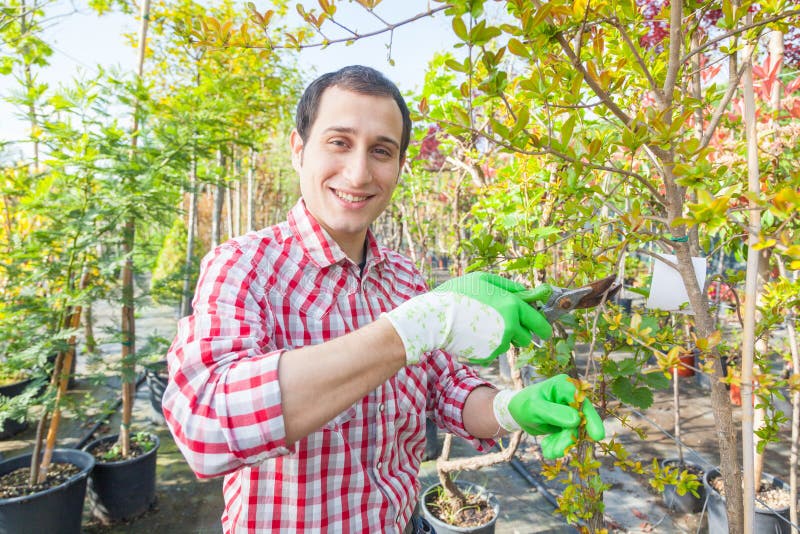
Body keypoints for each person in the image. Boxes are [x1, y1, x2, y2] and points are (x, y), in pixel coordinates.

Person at [162, 65, 605, 533]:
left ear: (397, 166)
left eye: (381, 151)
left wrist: (510, 408)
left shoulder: (403, 276)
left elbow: (443, 387)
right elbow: (204, 426)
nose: (358, 172)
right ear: (299, 150)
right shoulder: (243, 266)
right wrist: (413, 328)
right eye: (339, 142)